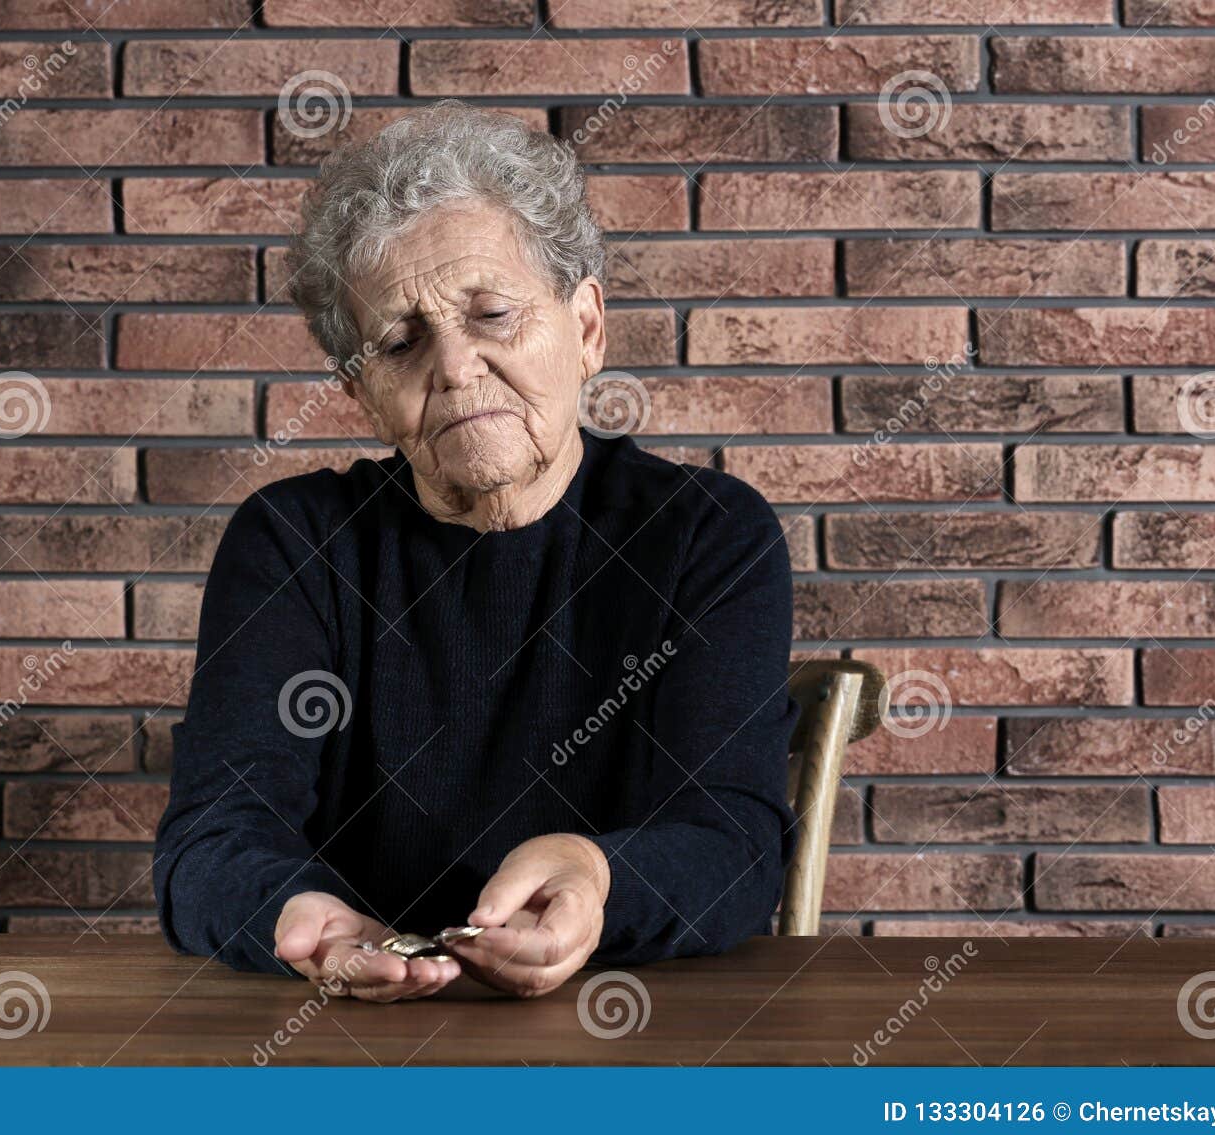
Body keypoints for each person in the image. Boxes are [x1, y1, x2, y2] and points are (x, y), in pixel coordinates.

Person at [154, 99, 800, 1002]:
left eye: (492, 313)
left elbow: (732, 845)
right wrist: (299, 914)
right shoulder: (292, 544)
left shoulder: (707, 534)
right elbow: (212, 841)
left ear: (586, 329)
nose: (454, 366)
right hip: (348, 1048)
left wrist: (594, 872)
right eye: (399, 342)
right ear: (362, 394)